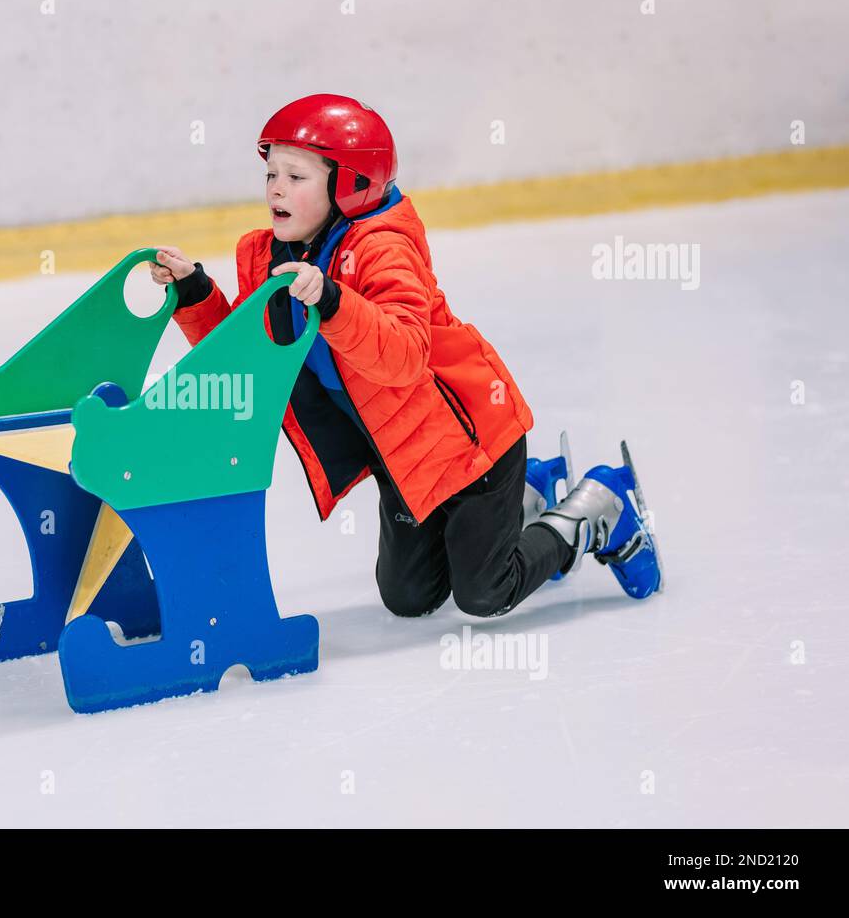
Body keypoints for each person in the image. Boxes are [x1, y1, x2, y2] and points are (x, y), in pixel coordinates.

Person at [150, 94, 662, 617]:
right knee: (408, 599)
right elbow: (252, 353)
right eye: (271, 174)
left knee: (485, 592)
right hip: (404, 459)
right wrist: (195, 294)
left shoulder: (383, 248)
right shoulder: (270, 257)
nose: (276, 188)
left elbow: (404, 357)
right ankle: (530, 492)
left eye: (296, 177)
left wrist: (332, 299)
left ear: (349, 185)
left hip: (474, 446)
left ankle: (596, 508)